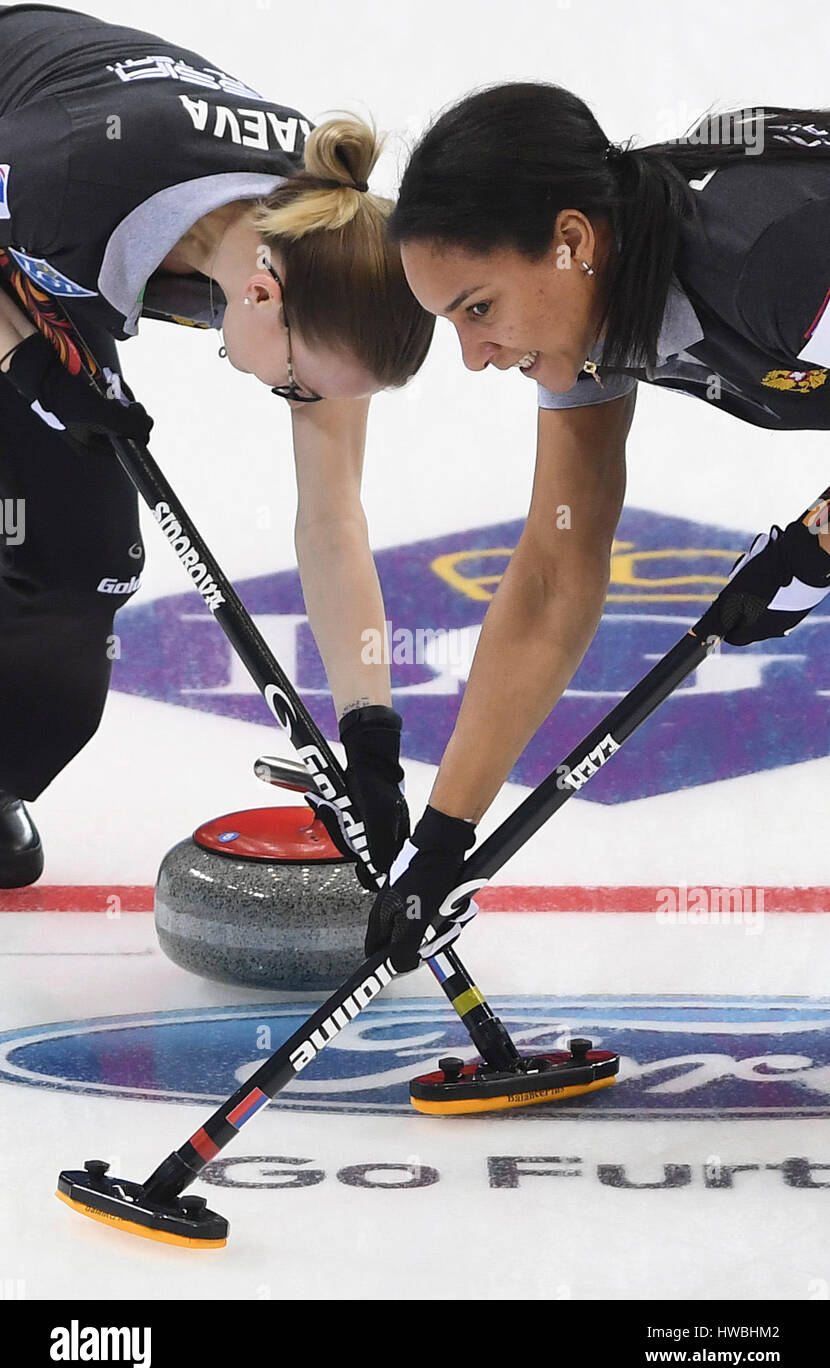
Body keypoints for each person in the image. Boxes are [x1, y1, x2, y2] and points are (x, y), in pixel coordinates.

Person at [366, 83, 830, 970]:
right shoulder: (597, 309)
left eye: (478, 308)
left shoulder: (774, 256)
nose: (474, 357)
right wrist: (441, 839)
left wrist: (815, 546)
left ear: (571, 240)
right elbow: (552, 574)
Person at [0, 3, 434, 888]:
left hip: (51, 247)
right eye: (297, 388)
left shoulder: (327, 251)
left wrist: (372, 737)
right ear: (262, 298)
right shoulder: (74, 168)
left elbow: (331, 521)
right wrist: (25, 360)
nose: (298, 403)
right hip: (38, 189)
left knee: (86, 561)